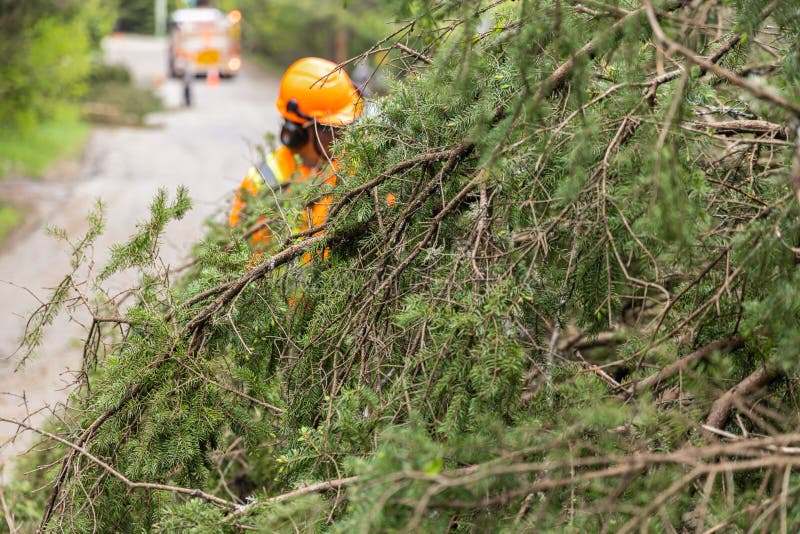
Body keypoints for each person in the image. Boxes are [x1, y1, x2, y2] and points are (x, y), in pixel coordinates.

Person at [229, 57, 363, 255]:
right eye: (332, 129)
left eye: (345, 127)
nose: (343, 136)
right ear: (296, 132)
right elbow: (242, 258)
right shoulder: (262, 182)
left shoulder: (355, 167)